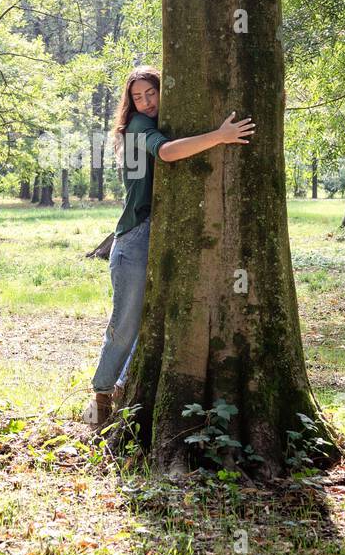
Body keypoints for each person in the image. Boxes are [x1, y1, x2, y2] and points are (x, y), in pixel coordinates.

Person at [84, 65, 255, 426]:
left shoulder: (153, 123)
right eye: (137, 97)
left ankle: (123, 390)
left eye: (151, 94)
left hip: (150, 236)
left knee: (149, 323)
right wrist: (220, 136)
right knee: (126, 324)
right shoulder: (139, 127)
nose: (145, 102)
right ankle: (100, 399)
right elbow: (165, 153)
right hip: (133, 241)